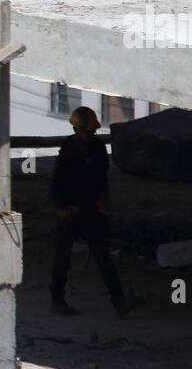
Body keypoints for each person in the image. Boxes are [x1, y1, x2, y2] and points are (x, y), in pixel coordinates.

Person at [50, 106, 134, 317]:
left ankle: (119, 301)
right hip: (70, 210)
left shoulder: (97, 148)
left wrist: (103, 199)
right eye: (85, 131)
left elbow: (101, 178)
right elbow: (56, 182)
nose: (89, 135)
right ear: (77, 129)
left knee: (103, 257)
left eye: (91, 132)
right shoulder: (68, 149)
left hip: (91, 210)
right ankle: (57, 301)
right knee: (62, 257)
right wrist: (61, 208)